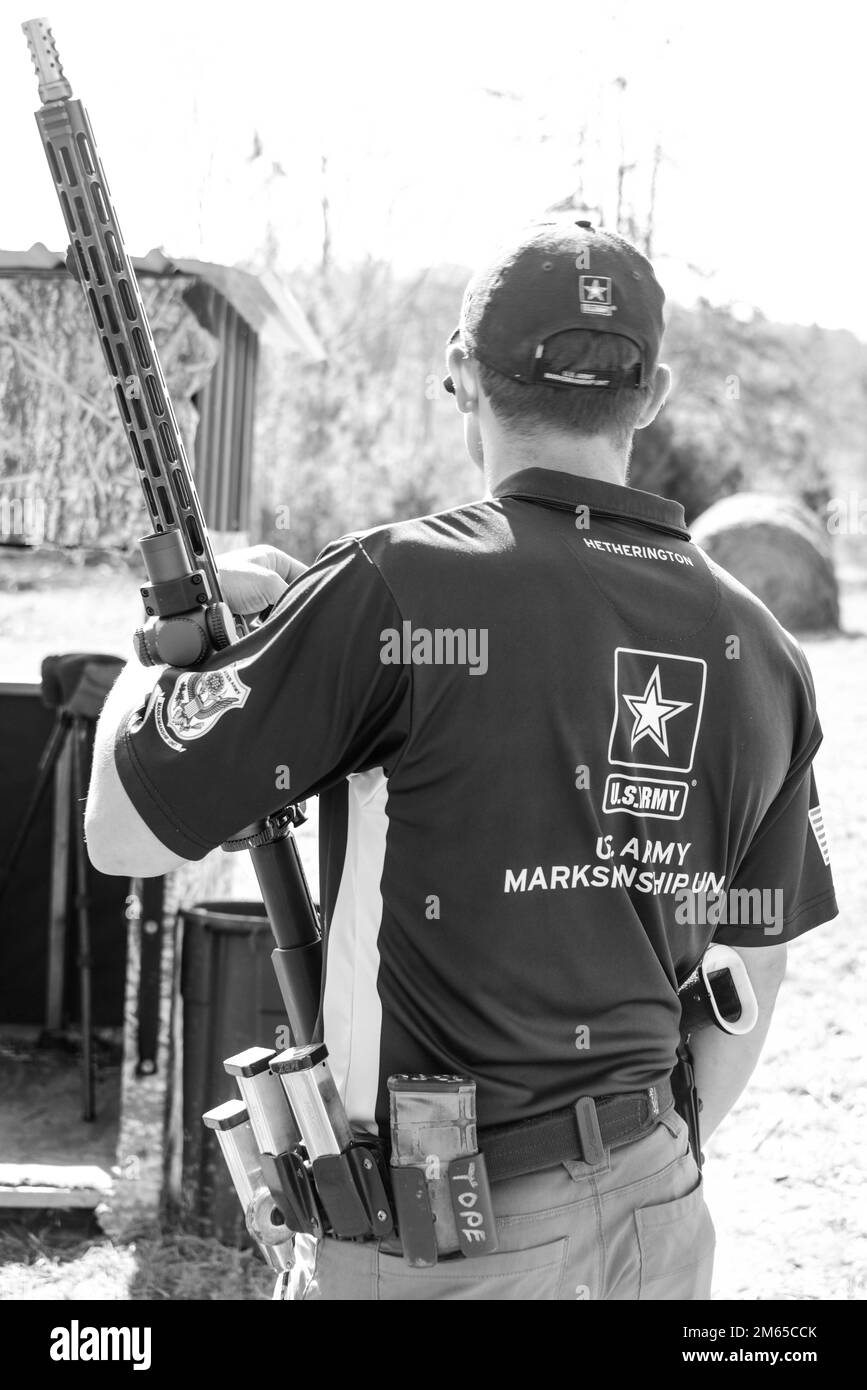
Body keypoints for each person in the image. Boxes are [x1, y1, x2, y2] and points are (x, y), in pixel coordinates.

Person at [85, 218, 838, 1300]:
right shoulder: (763, 646)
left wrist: (164, 660)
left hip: (442, 1248)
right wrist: (621, 1174)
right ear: (653, 393)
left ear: (460, 378)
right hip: (658, 1213)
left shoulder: (390, 588)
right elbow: (747, 972)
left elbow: (123, 831)